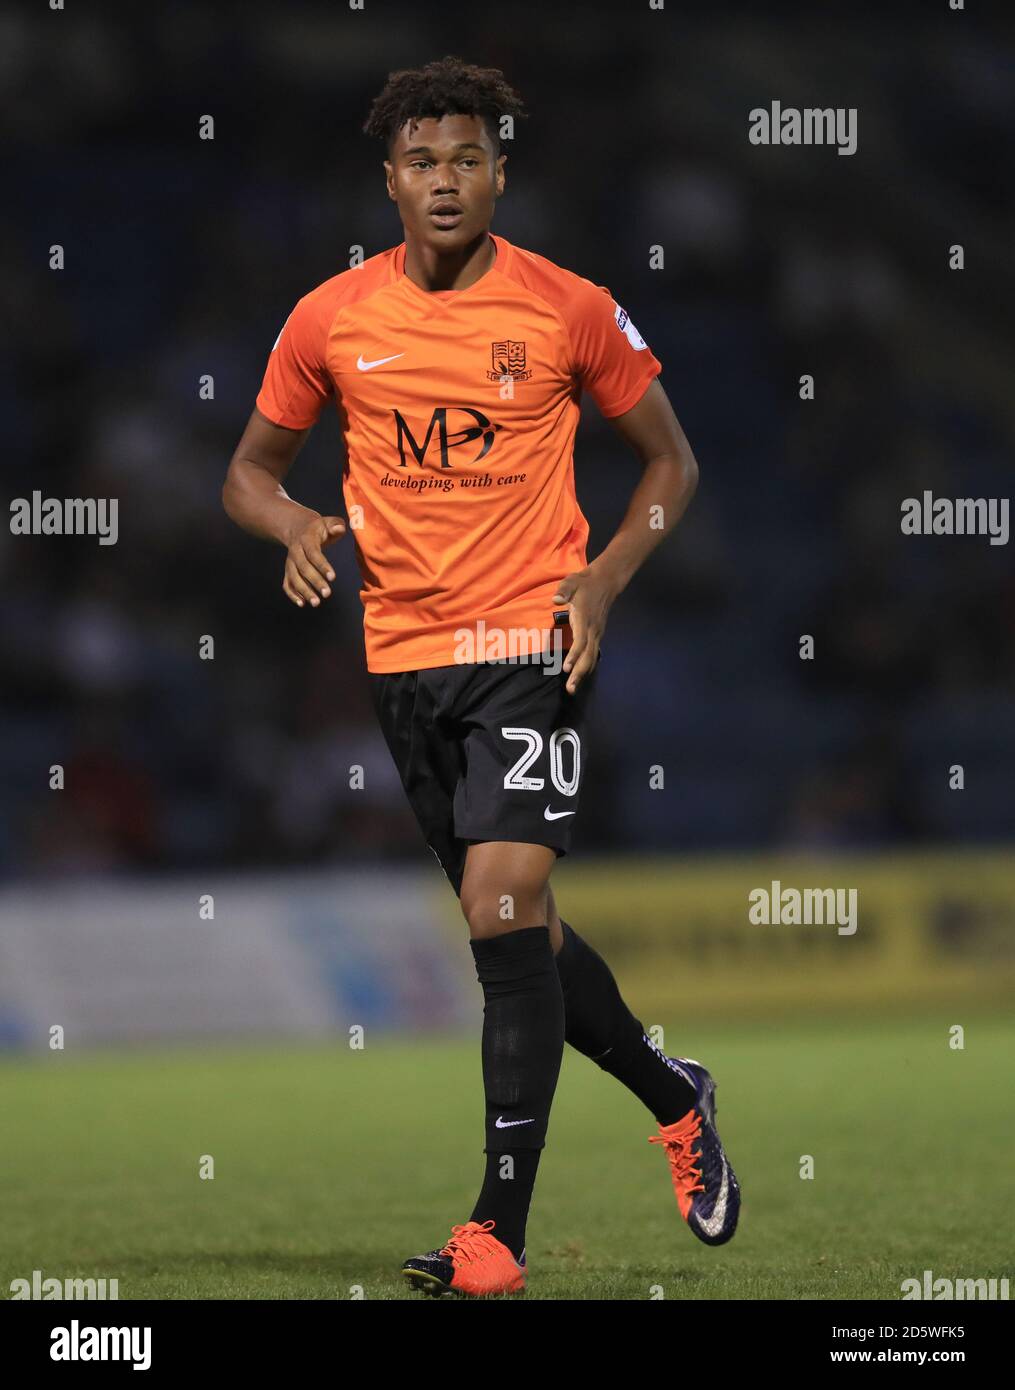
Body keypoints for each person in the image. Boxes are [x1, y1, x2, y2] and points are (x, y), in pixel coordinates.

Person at [223, 54, 739, 1298]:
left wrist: (603, 579)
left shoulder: (567, 307)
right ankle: (676, 1094)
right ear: (388, 181)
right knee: (522, 934)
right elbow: (245, 472)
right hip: (403, 662)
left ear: (499, 173)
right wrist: (292, 524)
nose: (445, 182)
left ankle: (493, 1235)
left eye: (467, 160)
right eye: (421, 162)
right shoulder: (329, 318)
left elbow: (672, 466)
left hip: (529, 644)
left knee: (501, 911)